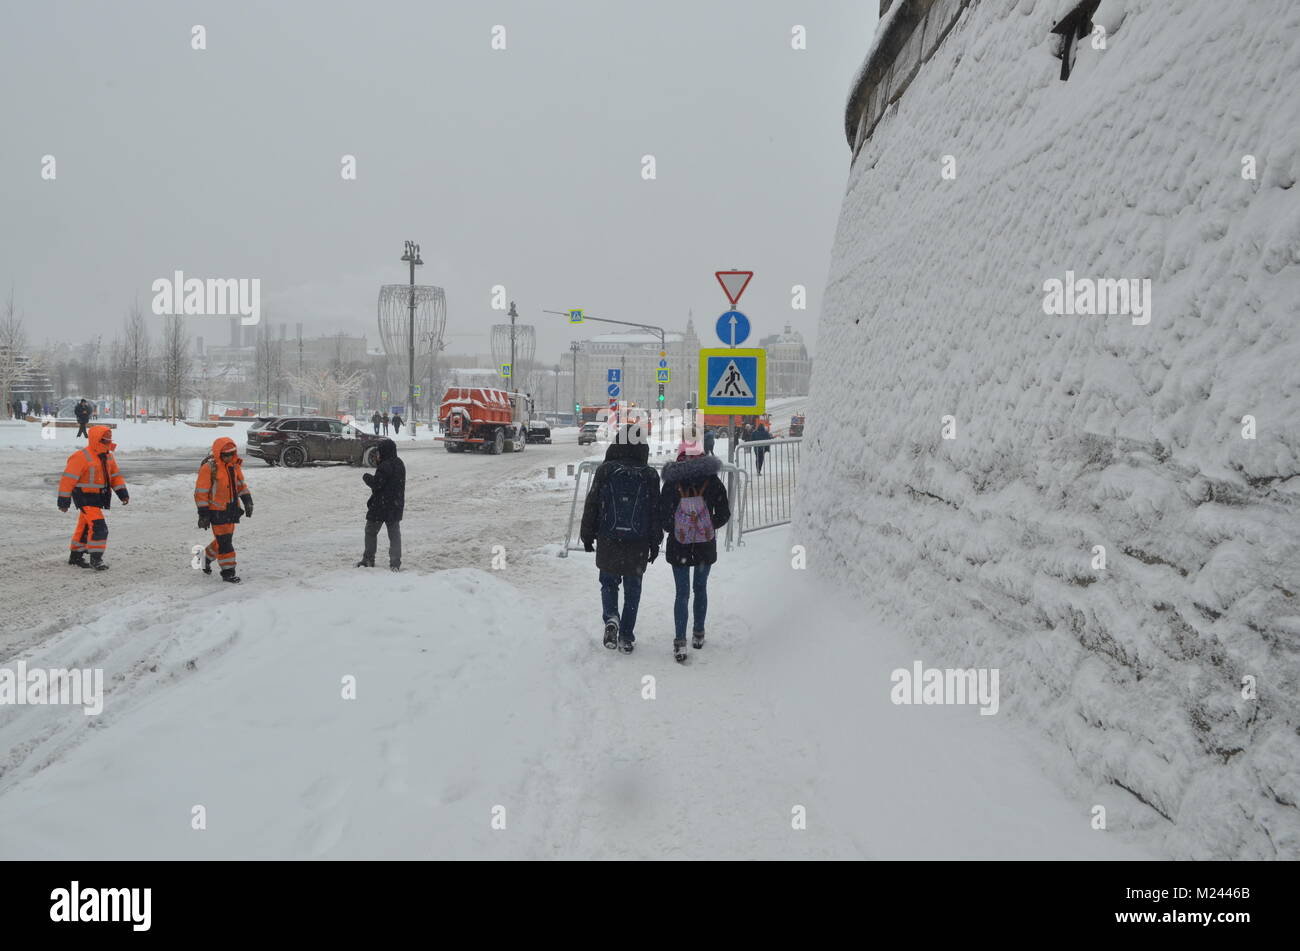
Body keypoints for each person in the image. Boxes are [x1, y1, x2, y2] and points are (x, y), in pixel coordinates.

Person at [579, 425, 662, 654]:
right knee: (633, 589)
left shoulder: (606, 471)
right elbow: (656, 511)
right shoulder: (649, 475)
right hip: (638, 541)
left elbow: (592, 504)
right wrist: (655, 542)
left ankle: (611, 618)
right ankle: (626, 635)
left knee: (608, 582)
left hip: (608, 538)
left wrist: (587, 535)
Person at [659, 437, 730, 661]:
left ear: (681, 456)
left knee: (682, 593)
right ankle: (698, 632)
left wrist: (678, 528)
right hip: (705, 546)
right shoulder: (713, 480)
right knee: (700, 589)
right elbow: (724, 513)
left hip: (679, 546)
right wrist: (707, 526)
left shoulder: (671, 482)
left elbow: (663, 516)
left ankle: (680, 641)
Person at [57, 424, 129, 570]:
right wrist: (64, 501)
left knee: (84, 526)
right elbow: (68, 480)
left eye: (109, 440)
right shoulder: (81, 457)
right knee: (99, 527)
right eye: (104, 440)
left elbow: (115, 476)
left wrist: (122, 494)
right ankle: (96, 559)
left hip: (98, 498)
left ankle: (75, 556)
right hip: (84, 497)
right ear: (96, 439)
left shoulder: (108, 456)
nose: (107, 443)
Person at [194, 436, 253, 584]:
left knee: (224, 540)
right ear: (218, 453)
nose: (229, 457)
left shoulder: (234, 466)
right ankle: (228, 572)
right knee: (226, 543)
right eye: (226, 454)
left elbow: (241, 485)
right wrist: (203, 514)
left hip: (232, 509)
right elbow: (200, 492)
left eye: (232, 454)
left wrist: (247, 501)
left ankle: (204, 558)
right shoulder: (209, 468)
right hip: (216, 511)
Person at [356, 438, 404, 570]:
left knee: (370, 531)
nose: (378, 455)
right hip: (395, 505)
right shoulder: (399, 463)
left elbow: (377, 483)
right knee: (394, 535)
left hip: (380, 506)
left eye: (379, 452)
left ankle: (368, 559)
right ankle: (395, 563)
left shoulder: (385, 465)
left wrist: (367, 477)